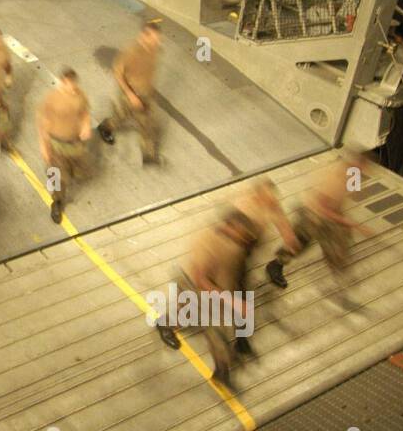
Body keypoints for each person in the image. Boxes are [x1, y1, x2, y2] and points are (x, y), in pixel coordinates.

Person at [155, 179, 301, 387]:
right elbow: (200, 280)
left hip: (218, 281)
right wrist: (231, 301)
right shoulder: (207, 241)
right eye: (242, 235)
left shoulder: (236, 242)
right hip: (194, 284)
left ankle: (223, 369)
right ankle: (166, 324)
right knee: (194, 315)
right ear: (230, 227)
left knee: (217, 327)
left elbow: (230, 273)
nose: (246, 237)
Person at [265, 152, 373, 289]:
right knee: (298, 243)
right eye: (363, 167)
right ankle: (276, 265)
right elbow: (323, 209)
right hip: (312, 214)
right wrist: (351, 223)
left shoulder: (354, 173)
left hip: (330, 213)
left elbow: (349, 194)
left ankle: (340, 269)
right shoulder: (332, 178)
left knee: (339, 242)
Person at [98, 21, 162, 164]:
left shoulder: (154, 49)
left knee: (147, 124)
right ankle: (106, 127)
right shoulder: (131, 52)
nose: (157, 42)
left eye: (158, 39)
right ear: (144, 36)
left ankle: (149, 156)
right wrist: (131, 95)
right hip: (131, 94)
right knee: (121, 117)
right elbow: (118, 73)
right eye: (154, 38)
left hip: (146, 94)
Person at [37, 70, 92, 224]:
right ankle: (57, 202)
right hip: (57, 144)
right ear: (62, 83)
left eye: (74, 85)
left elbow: (85, 112)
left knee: (80, 171)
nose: (72, 88)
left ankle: (69, 173)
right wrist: (44, 146)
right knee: (56, 176)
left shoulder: (80, 95)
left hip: (75, 143)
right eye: (69, 85)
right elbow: (43, 124)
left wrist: (86, 125)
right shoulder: (52, 99)